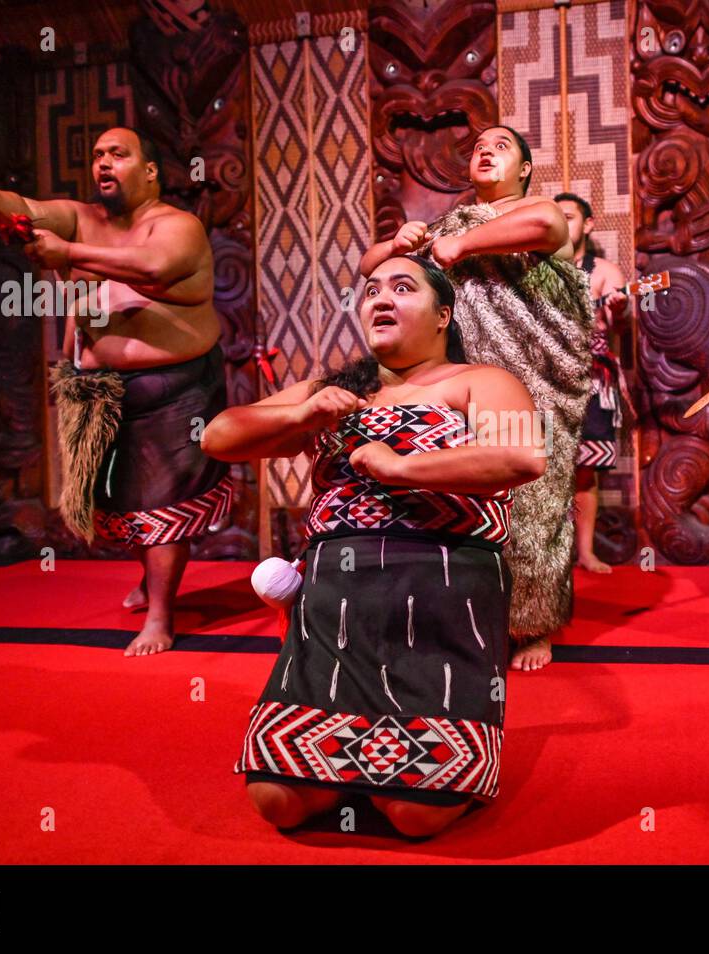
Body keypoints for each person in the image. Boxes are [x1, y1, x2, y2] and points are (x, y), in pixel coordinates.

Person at [204, 255, 544, 838]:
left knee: (416, 814)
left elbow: (521, 457)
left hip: (443, 592)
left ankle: (388, 774)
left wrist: (401, 468)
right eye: (371, 290)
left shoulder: (481, 381)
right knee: (275, 800)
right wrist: (305, 410)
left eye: (403, 288)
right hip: (334, 599)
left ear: (443, 316)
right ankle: (356, 770)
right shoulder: (335, 390)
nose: (381, 298)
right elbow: (217, 437)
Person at [0, 127, 228, 657]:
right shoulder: (79, 217)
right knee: (124, 498)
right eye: (96, 155)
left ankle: (161, 613)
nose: (104, 163)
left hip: (179, 386)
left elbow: (156, 267)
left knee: (163, 500)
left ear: (151, 171)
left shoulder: (177, 226)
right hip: (102, 388)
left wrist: (67, 252)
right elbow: (16, 209)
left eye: (119, 154)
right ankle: (149, 583)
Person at [359, 125, 594, 672]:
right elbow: (372, 269)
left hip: (535, 381)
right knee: (467, 498)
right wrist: (397, 247)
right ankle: (469, 615)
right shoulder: (447, 223)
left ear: (527, 169)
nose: (486, 151)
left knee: (535, 504)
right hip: (467, 380)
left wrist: (460, 245)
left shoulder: (536, 211)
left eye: (502, 147)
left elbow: (545, 224)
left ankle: (534, 626)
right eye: (479, 147)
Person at [555, 192, 632, 574]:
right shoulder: (535, 270)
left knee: (585, 469)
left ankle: (585, 552)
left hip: (590, 378)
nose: (561, 222)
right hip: (544, 379)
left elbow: (619, 325)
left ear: (586, 224)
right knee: (542, 468)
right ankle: (548, 556)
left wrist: (616, 310)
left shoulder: (603, 271)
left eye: (568, 216)